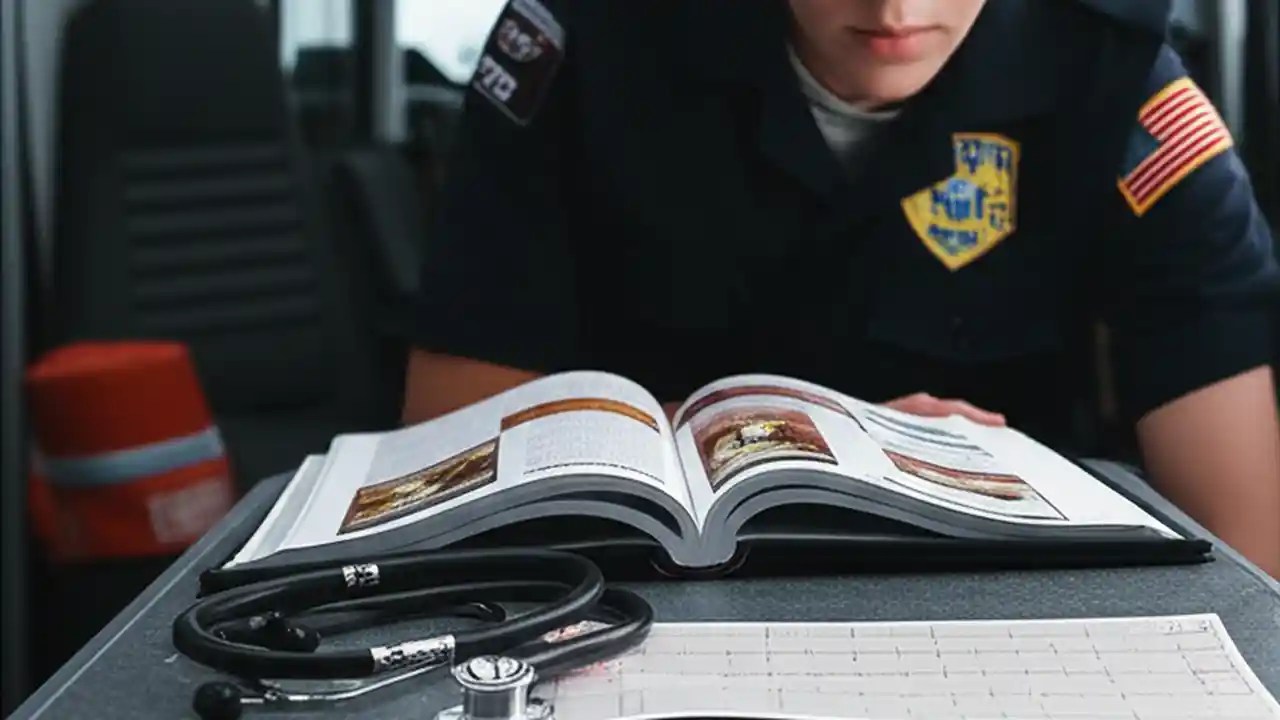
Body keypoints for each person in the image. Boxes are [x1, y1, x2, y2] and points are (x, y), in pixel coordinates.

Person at [402, 0, 1280, 576]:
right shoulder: (590, 38)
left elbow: (1245, 554)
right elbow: (446, 439)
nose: (895, 7)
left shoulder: (1112, 73)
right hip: (639, 593)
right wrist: (811, 439)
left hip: (1001, 609)